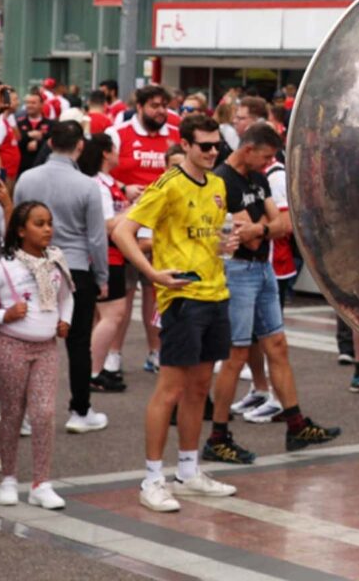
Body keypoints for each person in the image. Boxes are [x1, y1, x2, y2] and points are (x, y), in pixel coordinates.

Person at [109, 114, 240, 514]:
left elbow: (207, 237)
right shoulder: (167, 185)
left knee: (200, 388)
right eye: (205, 146)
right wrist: (151, 274)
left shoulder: (217, 184)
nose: (213, 152)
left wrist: (224, 245)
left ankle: (187, 471)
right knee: (170, 389)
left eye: (217, 145)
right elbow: (122, 231)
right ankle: (152, 479)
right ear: (185, 145)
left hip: (216, 293)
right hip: (182, 299)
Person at [202, 125, 338, 465]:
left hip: (262, 270)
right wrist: (265, 227)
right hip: (238, 270)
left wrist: (261, 227)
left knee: (277, 345)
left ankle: (295, 423)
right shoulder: (223, 181)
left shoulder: (257, 178)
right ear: (248, 149)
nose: (267, 164)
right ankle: (218, 435)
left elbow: (282, 226)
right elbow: (249, 238)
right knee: (236, 354)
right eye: (264, 157)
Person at [0, 200, 75, 510]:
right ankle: (8, 479)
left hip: (46, 348)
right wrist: (5, 315)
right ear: (21, 231)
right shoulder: (2, 268)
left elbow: (67, 297)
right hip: (9, 346)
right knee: (12, 412)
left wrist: (65, 320)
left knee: (44, 413)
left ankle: (41, 483)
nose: (48, 229)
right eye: (39, 224)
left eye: (49, 223)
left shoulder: (56, 261)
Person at [12, 119, 113, 435]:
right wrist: (102, 275)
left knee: (28, 340)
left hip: (34, 264)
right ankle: (79, 410)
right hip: (75, 266)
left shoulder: (27, 178)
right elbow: (96, 237)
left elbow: (16, 224)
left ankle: (22, 414)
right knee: (79, 342)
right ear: (80, 146)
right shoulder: (87, 185)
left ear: (50, 143)